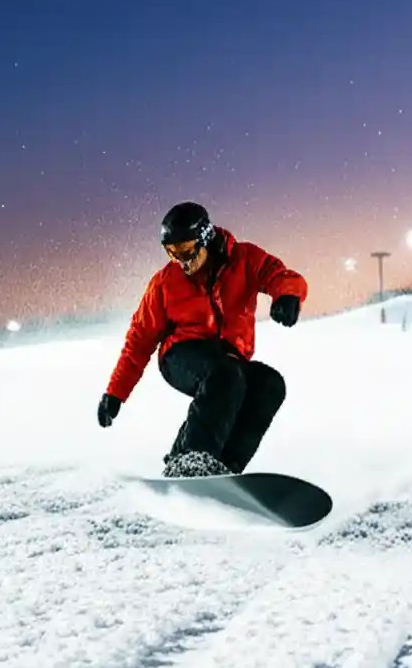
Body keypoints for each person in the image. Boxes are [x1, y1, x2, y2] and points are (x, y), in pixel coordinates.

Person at [96, 201, 308, 477]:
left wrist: (288, 294)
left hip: (229, 359)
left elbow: (279, 275)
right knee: (224, 375)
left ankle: (224, 468)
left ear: (206, 238)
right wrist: (115, 394)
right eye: (171, 253)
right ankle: (190, 461)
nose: (181, 262)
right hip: (180, 355)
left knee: (268, 384)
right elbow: (139, 341)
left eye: (185, 251)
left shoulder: (244, 258)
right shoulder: (164, 283)